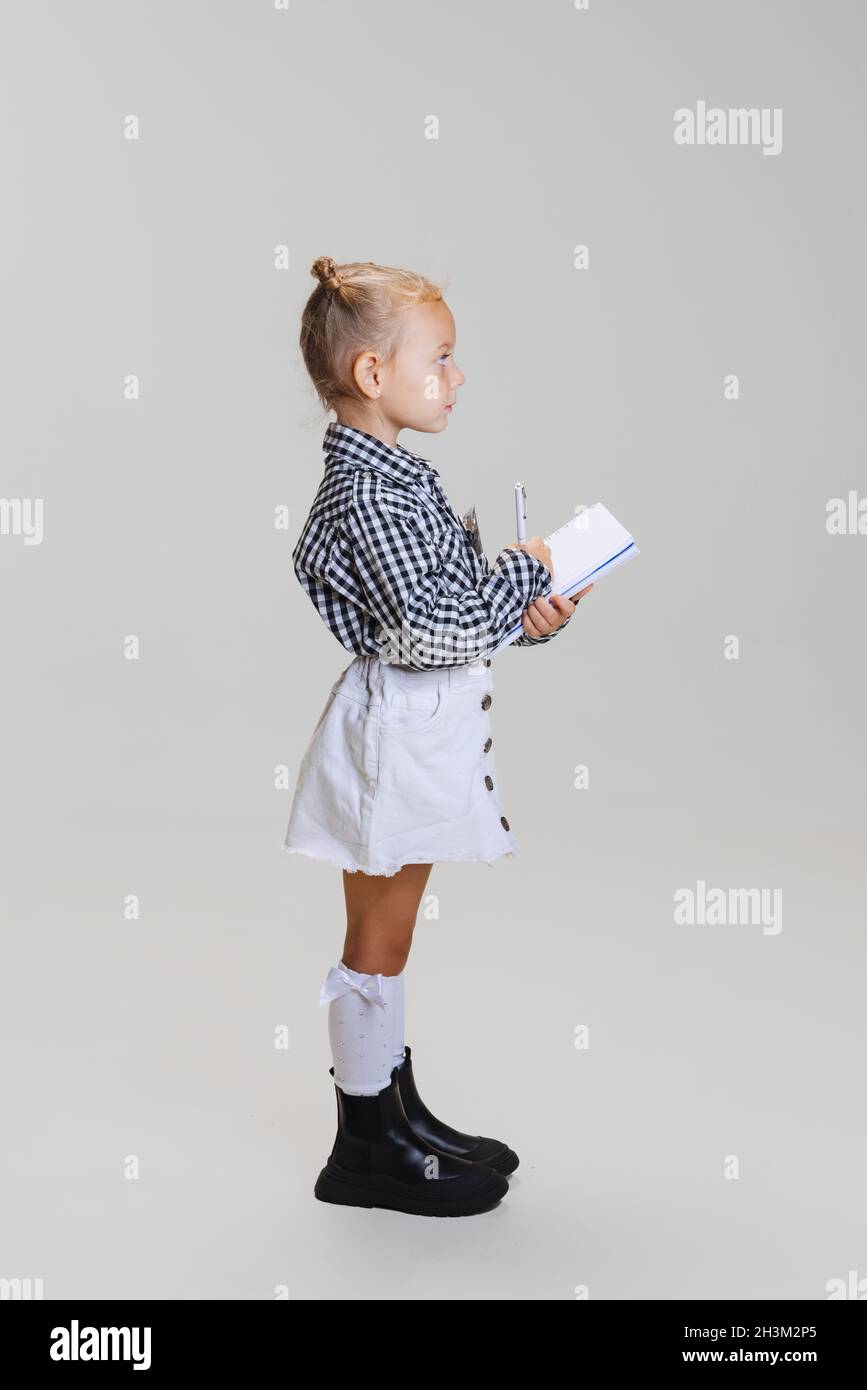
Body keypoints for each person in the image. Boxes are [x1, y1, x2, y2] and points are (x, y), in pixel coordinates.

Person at [284, 256, 592, 1217]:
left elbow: (448, 612)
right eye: (444, 359)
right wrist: (522, 574)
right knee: (377, 935)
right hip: (394, 743)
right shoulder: (369, 495)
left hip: (418, 728)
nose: (458, 378)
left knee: (392, 930)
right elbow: (429, 625)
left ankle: (394, 1112)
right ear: (374, 375)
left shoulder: (394, 479)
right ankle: (365, 1144)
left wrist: (522, 608)